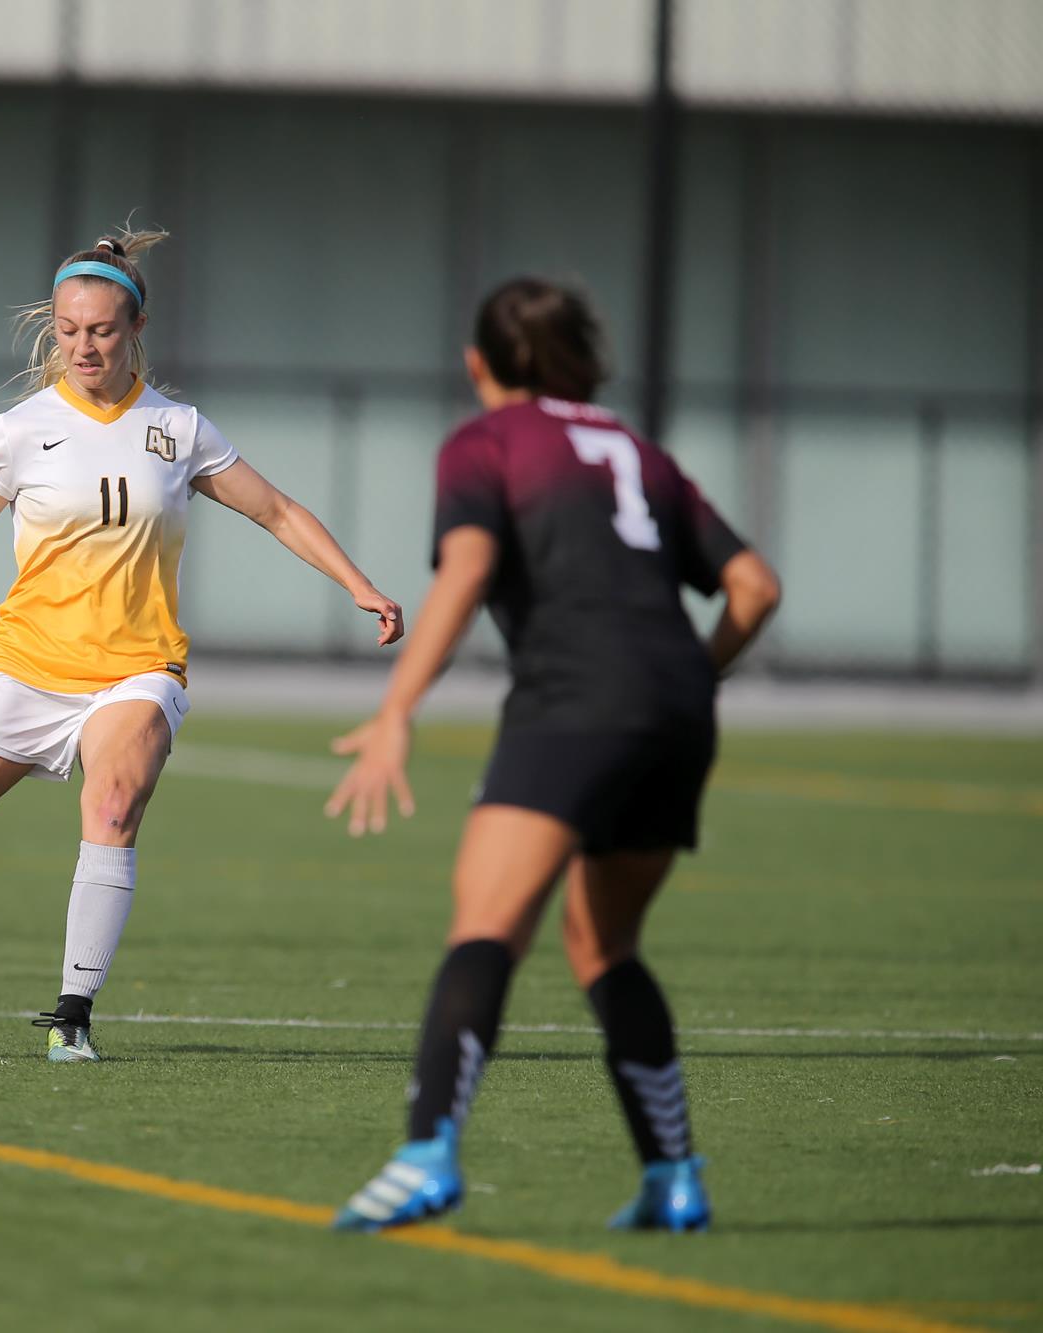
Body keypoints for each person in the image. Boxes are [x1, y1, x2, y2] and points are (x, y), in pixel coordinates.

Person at [0, 226, 404, 1062]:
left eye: (102, 330)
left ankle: (71, 1015)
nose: (83, 344)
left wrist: (356, 583)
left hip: (137, 671)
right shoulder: (20, 430)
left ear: (135, 329)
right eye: (69, 329)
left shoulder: (176, 429)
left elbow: (278, 510)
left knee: (114, 802)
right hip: (24, 668)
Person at [326, 277, 781, 1232]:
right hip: (678, 711)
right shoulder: (640, 450)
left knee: (487, 924)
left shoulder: (486, 441)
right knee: (605, 944)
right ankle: (673, 1175)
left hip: (575, 698)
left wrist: (398, 705)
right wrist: (687, 681)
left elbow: (469, 570)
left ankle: (424, 1154)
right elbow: (754, 587)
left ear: (477, 362)